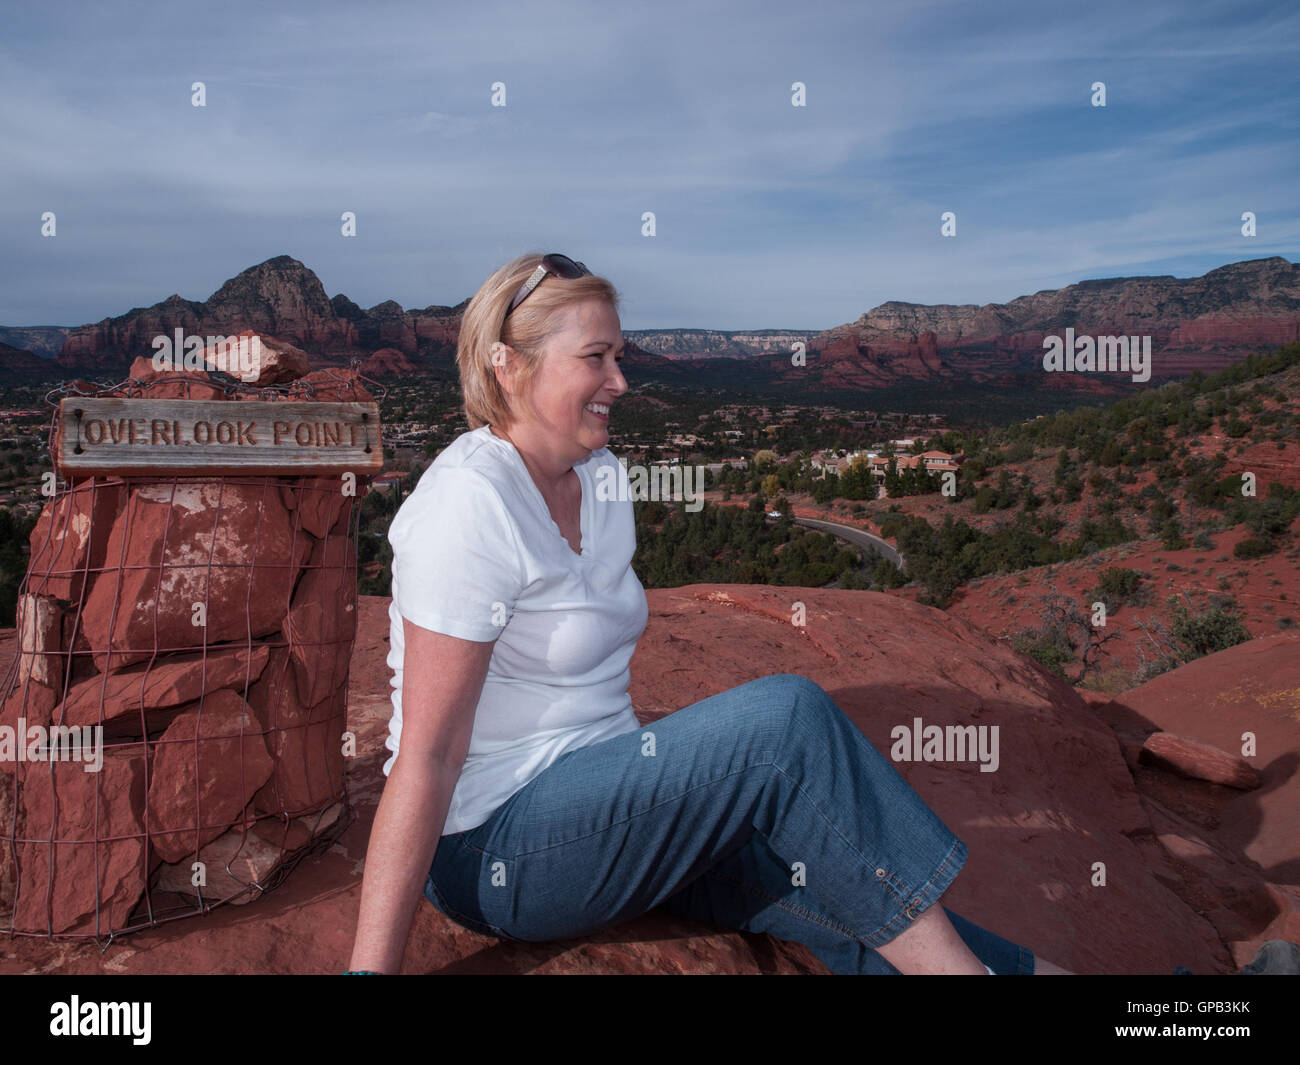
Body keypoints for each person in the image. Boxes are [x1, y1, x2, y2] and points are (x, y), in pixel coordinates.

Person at [346, 251, 1072, 975]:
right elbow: (429, 758)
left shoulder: (600, 477)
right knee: (785, 722)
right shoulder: (470, 504)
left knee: (837, 879)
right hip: (497, 844)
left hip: (613, 801)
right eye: (595, 357)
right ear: (508, 365)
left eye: (620, 356)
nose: (620, 381)